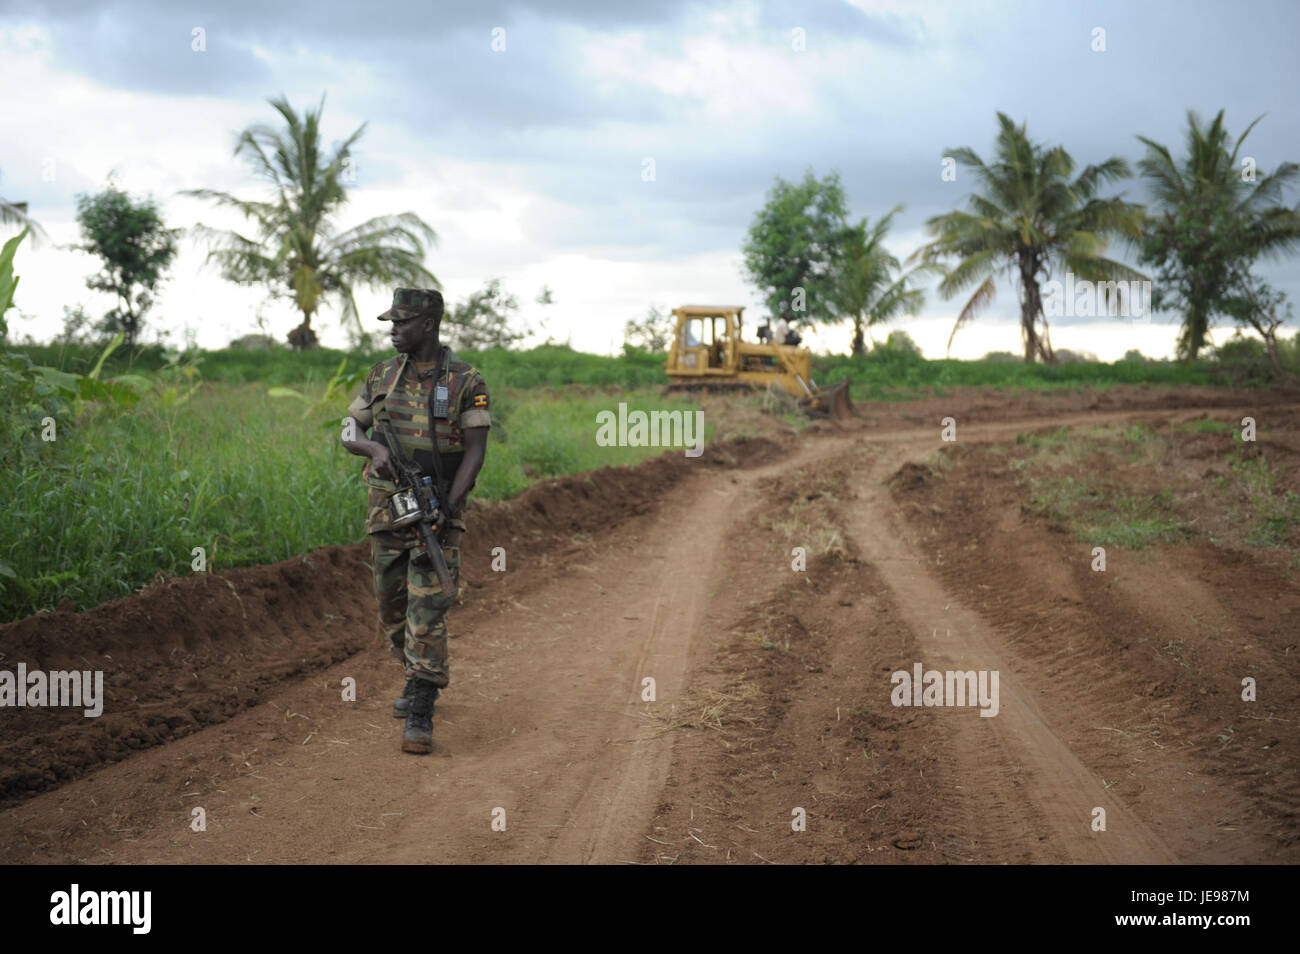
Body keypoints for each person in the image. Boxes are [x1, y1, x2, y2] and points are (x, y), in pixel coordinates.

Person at [341, 288, 491, 754]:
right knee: (392, 610)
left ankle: (422, 707)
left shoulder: (466, 379)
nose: (393, 331)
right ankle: (413, 676)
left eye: (401, 323)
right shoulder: (381, 374)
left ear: (427, 324)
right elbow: (350, 428)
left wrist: (448, 505)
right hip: (387, 510)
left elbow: (476, 451)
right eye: (391, 323)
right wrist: (372, 449)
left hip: (437, 513)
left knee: (427, 612)